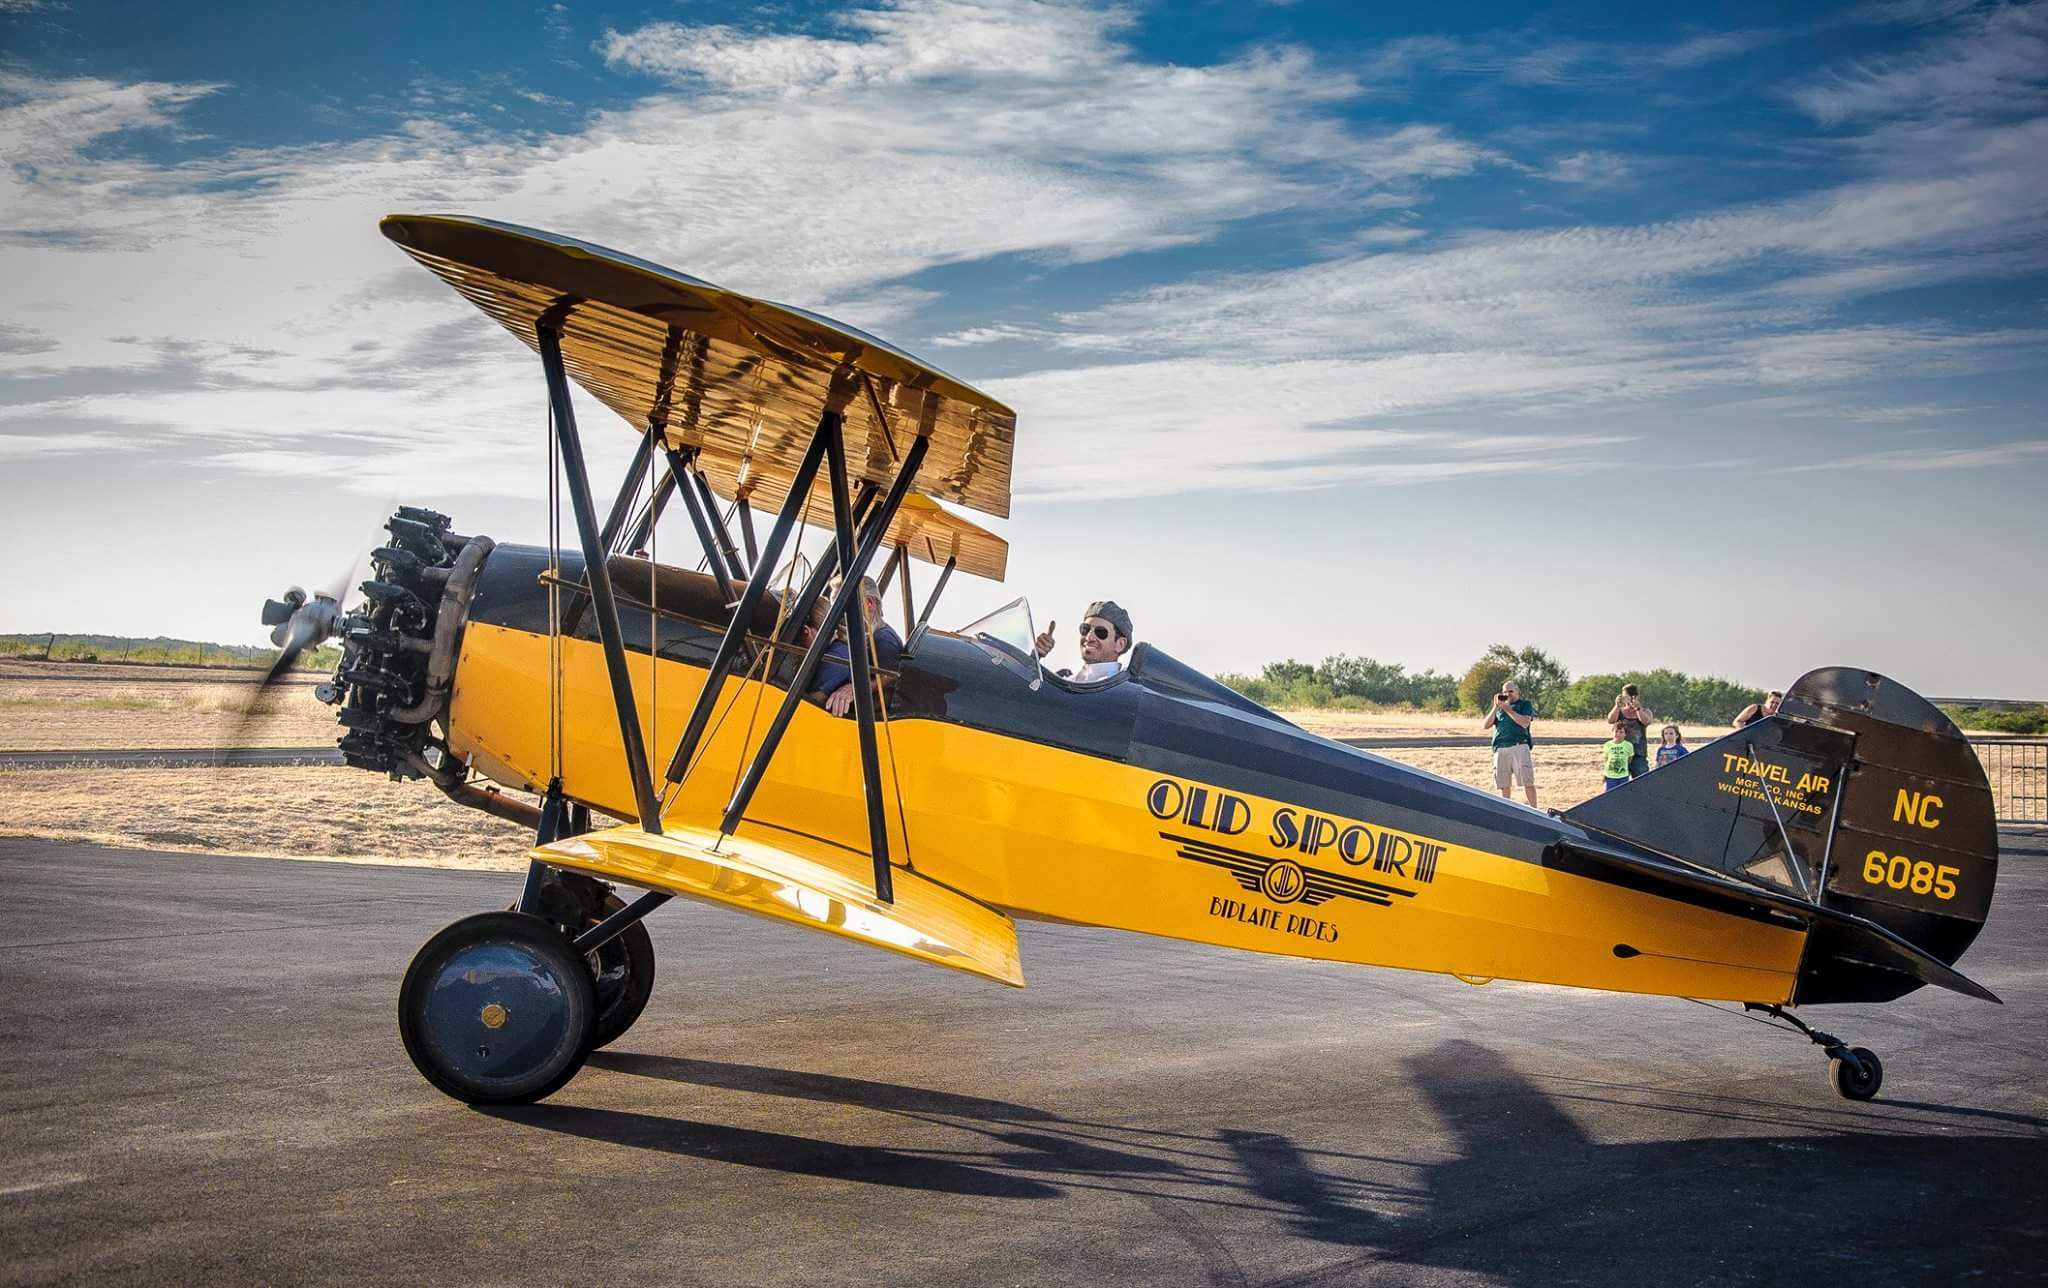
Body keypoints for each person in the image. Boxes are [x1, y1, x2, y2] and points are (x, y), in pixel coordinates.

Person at [809, 576, 902, 717]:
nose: (839, 617)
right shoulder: (867, 636)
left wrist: (852, 689)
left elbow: (891, 676)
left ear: (868, 603)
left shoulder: (884, 640)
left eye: (842, 608)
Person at [1033, 600, 1133, 683]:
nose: (1089, 637)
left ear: (1120, 644)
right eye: (1085, 629)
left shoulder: (1122, 692)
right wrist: (1036, 656)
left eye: (1100, 632)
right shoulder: (1065, 680)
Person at [1479, 678, 1537, 807]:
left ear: (1517, 691)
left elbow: (1524, 722)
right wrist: (1496, 707)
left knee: (1527, 781)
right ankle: (1507, 808)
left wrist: (1508, 709)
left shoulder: (1524, 705)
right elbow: (1486, 725)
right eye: (1505, 691)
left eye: (1510, 691)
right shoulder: (1500, 708)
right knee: (1503, 784)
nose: (1507, 694)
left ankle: (1535, 809)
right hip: (1501, 748)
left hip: (1519, 745)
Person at [1604, 684, 1656, 779]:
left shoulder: (1645, 711)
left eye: (1629, 697)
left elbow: (1646, 721)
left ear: (1636, 697)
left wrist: (1638, 709)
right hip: (1620, 754)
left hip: (1639, 754)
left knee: (1642, 781)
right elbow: (1610, 720)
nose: (1627, 700)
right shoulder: (1620, 711)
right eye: (1624, 697)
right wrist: (1617, 706)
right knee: (1619, 784)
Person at [1600, 722, 1633, 792]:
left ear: (1625, 734)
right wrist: (1604, 775)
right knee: (1609, 794)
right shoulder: (1607, 745)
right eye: (1616, 731)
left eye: (1621, 732)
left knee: (1622, 793)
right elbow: (1606, 760)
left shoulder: (1628, 745)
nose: (1618, 734)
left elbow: (1629, 759)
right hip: (1610, 775)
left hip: (1623, 776)